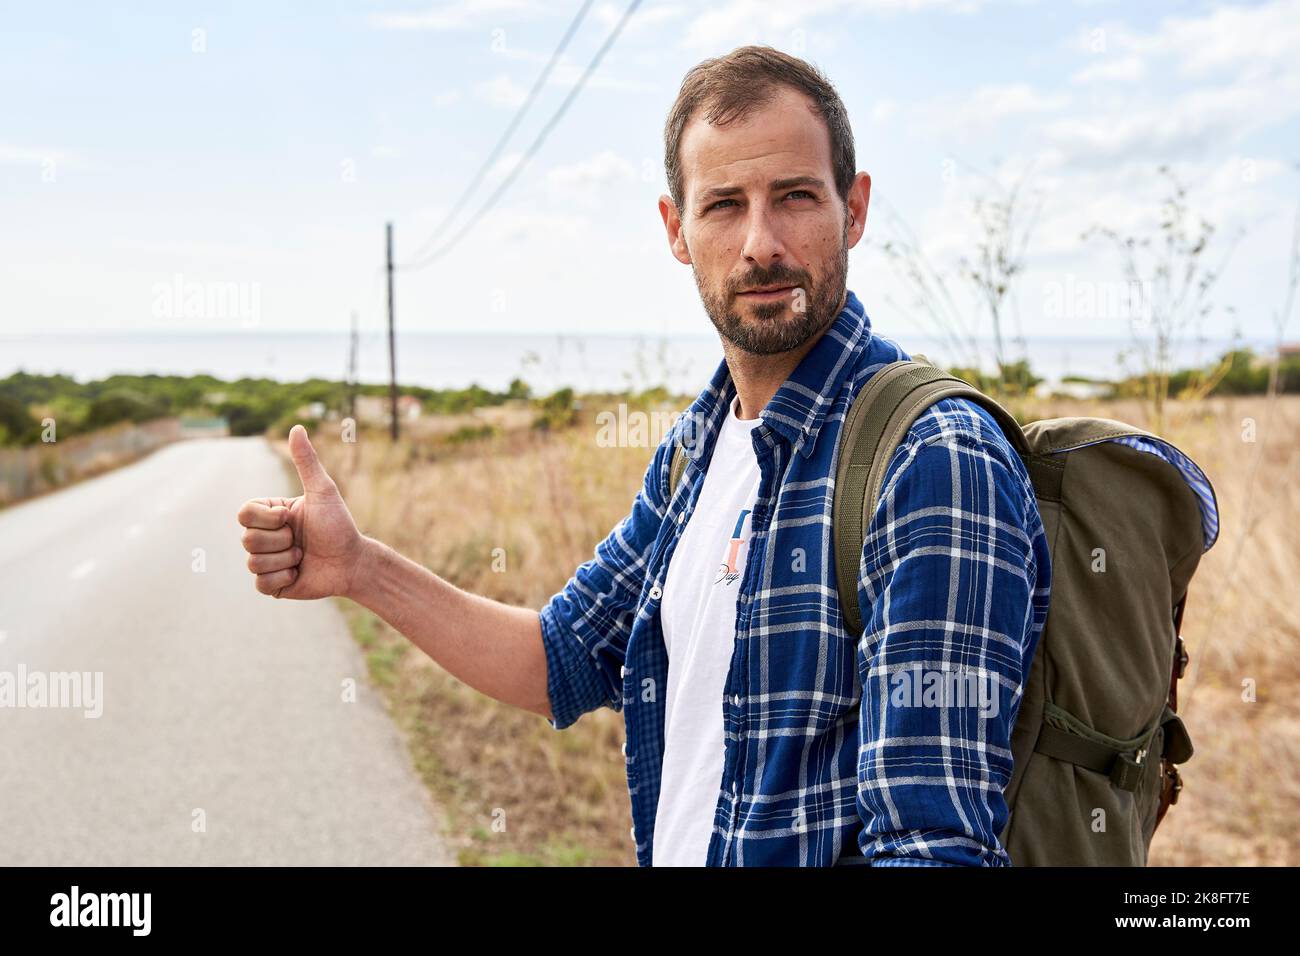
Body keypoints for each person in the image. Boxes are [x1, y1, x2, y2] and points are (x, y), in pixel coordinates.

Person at [236, 45, 1051, 867]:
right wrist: (362, 570)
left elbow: (932, 848)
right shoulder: (696, 451)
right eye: (724, 206)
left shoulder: (932, 462)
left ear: (856, 208)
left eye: (796, 196)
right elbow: (558, 661)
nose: (760, 243)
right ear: (677, 231)